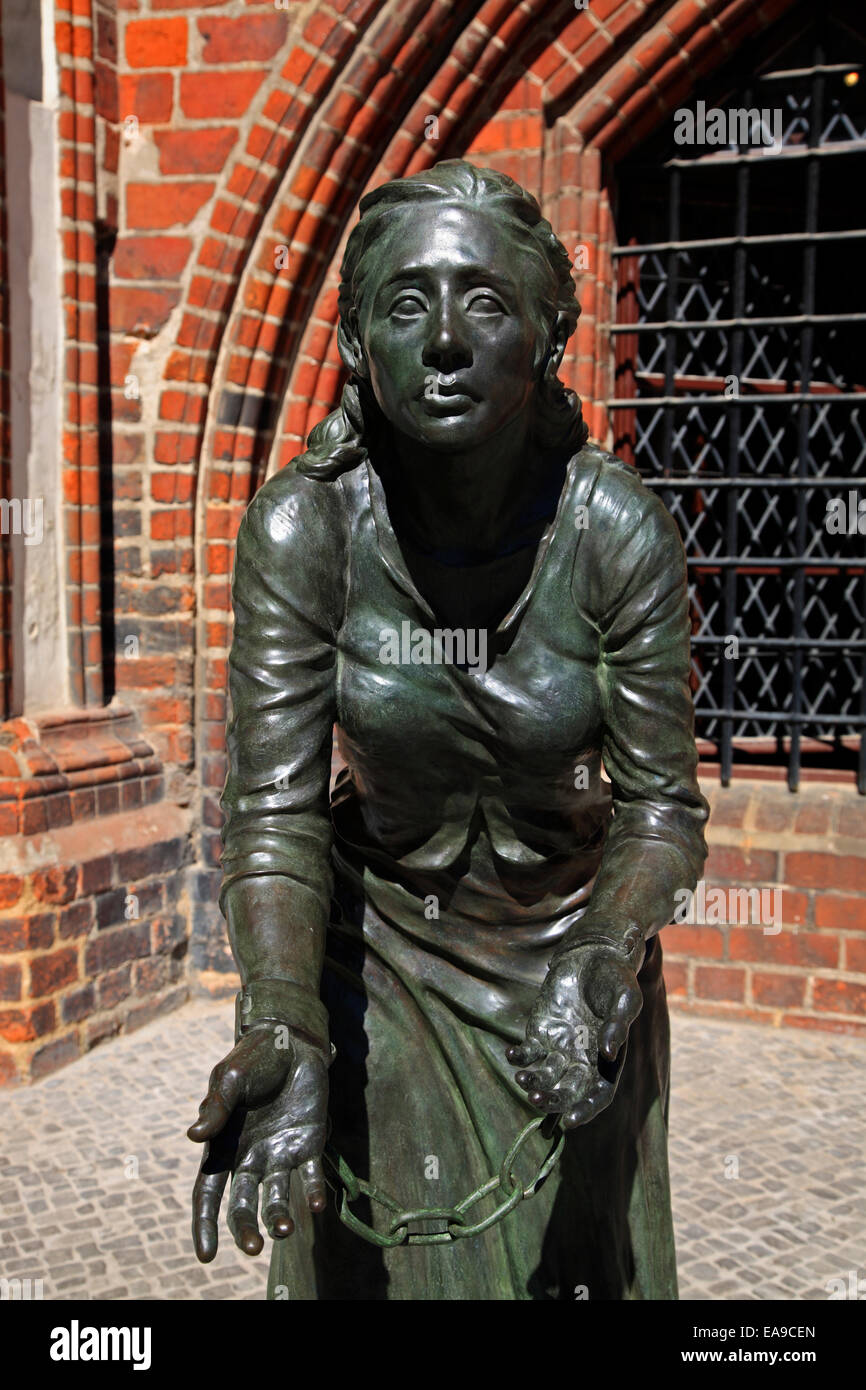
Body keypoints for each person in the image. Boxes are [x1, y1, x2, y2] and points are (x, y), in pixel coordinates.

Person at [188, 159, 709, 1300]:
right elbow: (273, 816)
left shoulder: (615, 531)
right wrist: (281, 1015)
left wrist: (604, 952)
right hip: (377, 972)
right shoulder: (305, 527)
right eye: (405, 301)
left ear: (547, 331)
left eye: (483, 300)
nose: (442, 340)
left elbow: (662, 812)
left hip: (574, 966)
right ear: (354, 341)